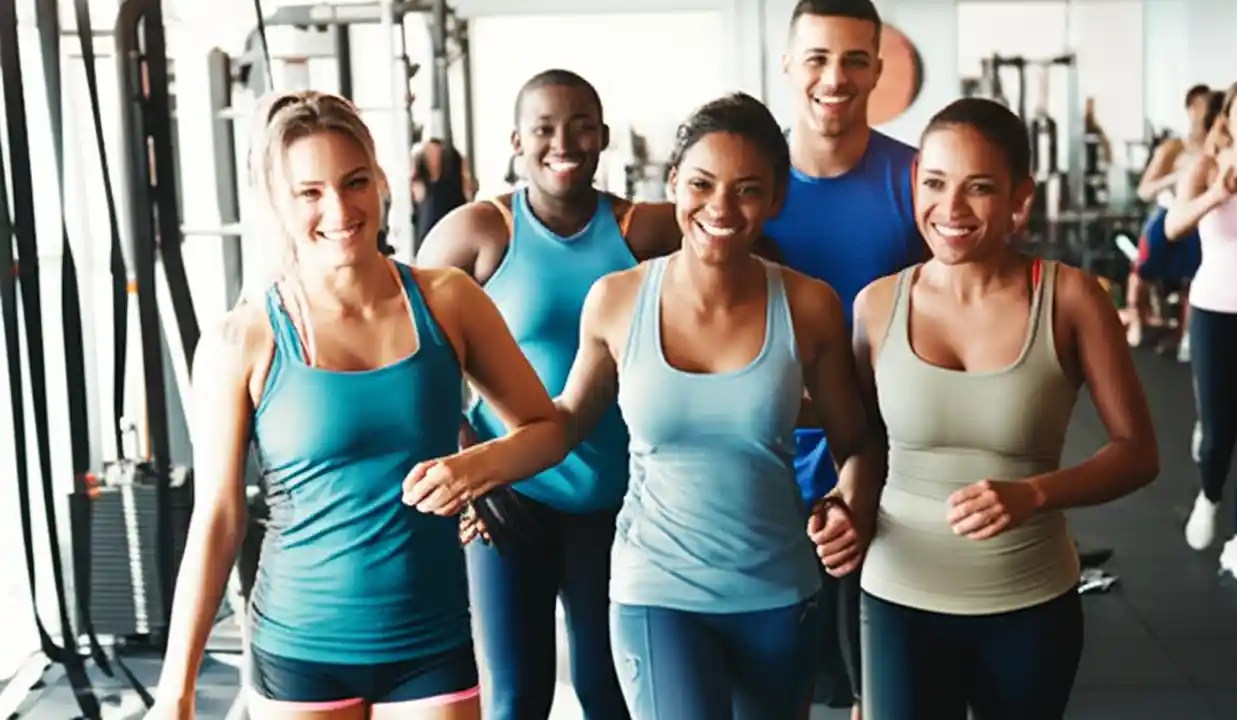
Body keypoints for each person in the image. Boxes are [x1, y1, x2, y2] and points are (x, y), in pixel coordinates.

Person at [147, 91, 563, 720]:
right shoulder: (243, 338)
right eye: (309, 193)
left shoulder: (447, 300)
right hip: (298, 650)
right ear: (277, 206)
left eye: (354, 181)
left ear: (382, 180)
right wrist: (175, 693)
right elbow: (217, 521)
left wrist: (474, 468)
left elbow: (546, 430)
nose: (339, 209)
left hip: (431, 643)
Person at [546, 92, 864, 719]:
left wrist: (853, 502)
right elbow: (562, 422)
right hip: (657, 588)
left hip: (779, 589)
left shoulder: (809, 304)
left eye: (747, 189)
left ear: (775, 201)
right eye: (701, 183)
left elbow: (857, 440)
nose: (720, 206)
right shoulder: (615, 299)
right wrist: (475, 461)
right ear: (673, 185)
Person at [851, 97, 1159, 718]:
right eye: (935, 183)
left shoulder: (1070, 297)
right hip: (898, 595)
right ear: (915, 184)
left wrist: (1036, 494)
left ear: (1020, 198)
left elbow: (1138, 453)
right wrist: (840, 507)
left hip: (1029, 600)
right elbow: (861, 445)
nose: (952, 209)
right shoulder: (876, 304)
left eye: (980, 188)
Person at [416, 69, 681, 720]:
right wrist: (471, 465)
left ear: (604, 137)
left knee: (609, 693)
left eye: (581, 126)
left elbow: (747, 252)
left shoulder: (643, 231)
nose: (563, 142)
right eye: (544, 128)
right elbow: (415, 360)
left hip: (615, 500)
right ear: (516, 141)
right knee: (514, 701)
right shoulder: (476, 232)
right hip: (510, 500)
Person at [766, 1, 927, 714]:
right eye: (817, 58)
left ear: (878, 70)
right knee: (774, 692)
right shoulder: (742, 185)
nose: (836, 77)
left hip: (890, 477)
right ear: (787, 66)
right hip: (758, 473)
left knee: (878, 697)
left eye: (855, 59)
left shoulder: (919, 183)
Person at [1168, 78, 1237, 581]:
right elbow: (1174, 226)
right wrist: (1216, 193)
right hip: (1215, 309)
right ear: (1228, 117)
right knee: (1218, 434)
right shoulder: (1207, 167)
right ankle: (1210, 495)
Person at [1122, 84, 1218, 353]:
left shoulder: (1218, 145)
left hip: (1201, 218)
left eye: (1208, 108)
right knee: (1141, 271)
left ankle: (1187, 336)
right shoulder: (1174, 147)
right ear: (1189, 109)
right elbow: (1144, 190)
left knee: (1195, 278)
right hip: (1168, 214)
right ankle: (1137, 324)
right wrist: (1178, 177)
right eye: (1198, 107)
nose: (1202, 114)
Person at [411, 130, 477, 254]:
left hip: (431, 221)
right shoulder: (456, 156)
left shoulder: (422, 154)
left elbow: (417, 192)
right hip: (456, 218)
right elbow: (469, 186)